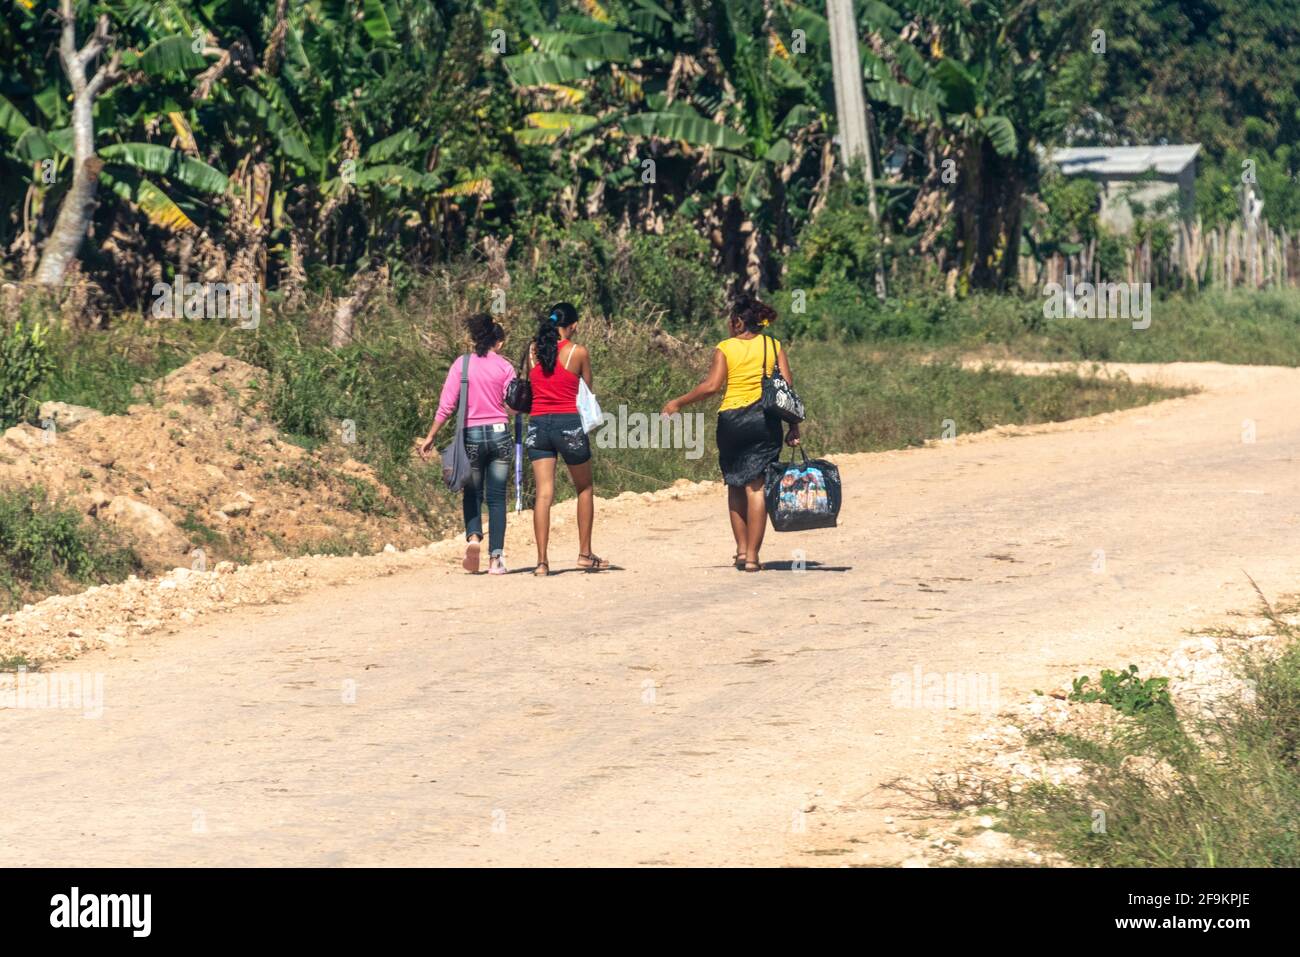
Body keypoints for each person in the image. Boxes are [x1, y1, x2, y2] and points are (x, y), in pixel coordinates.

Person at [661, 295, 799, 572]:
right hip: (764, 421)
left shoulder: (725, 347)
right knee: (757, 488)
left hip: (732, 422)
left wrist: (678, 402)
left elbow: (712, 386)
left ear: (737, 322)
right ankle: (752, 557)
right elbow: (787, 389)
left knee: (735, 484)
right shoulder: (773, 345)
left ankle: (739, 550)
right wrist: (794, 427)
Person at [417, 313, 516, 575]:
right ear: (500, 343)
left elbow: (446, 405)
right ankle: (496, 559)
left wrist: (431, 436)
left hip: (471, 436)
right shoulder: (505, 367)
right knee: (496, 499)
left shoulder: (461, 365)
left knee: (472, 492)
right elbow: (512, 406)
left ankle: (473, 538)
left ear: (473, 339)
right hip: (499, 434)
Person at [525, 301, 609, 577]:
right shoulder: (578, 352)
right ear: (572, 325)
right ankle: (584, 554)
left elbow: (534, 383)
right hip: (568, 424)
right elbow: (587, 388)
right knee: (584, 488)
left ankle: (541, 562)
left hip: (538, 425)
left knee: (544, 494)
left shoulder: (533, 351)